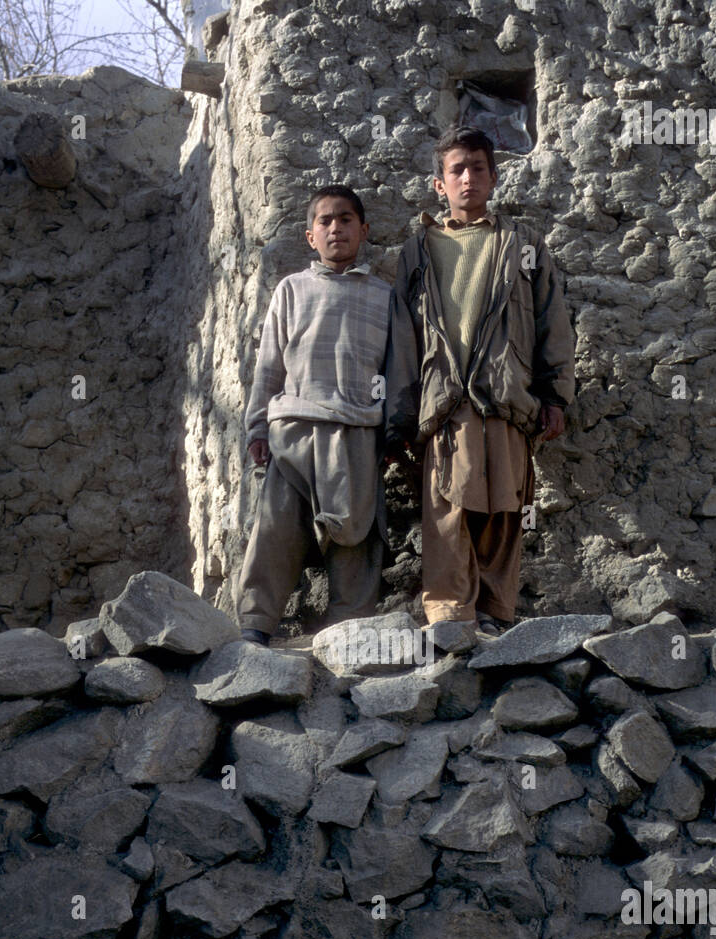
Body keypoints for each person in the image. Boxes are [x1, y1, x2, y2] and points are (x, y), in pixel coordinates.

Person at [383, 126, 575, 635]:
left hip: (507, 395)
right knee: (448, 508)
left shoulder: (522, 243)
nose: (468, 177)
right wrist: (400, 415)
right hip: (445, 398)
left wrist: (555, 396)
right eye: (457, 169)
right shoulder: (419, 250)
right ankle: (449, 614)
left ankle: (495, 614)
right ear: (439, 184)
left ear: (494, 176)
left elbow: (553, 323)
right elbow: (403, 338)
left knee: (506, 506)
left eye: (478, 168)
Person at [237, 186, 391, 646]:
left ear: (363, 230)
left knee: (355, 532)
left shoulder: (385, 296)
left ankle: (348, 628)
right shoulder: (291, 290)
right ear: (310, 236)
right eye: (324, 221)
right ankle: (256, 623)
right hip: (293, 429)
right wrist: (257, 427)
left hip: (359, 428)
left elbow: (399, 369)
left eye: (346, 219)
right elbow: (267, 368)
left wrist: (398, 427)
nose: (335, 228)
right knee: (276, 525)